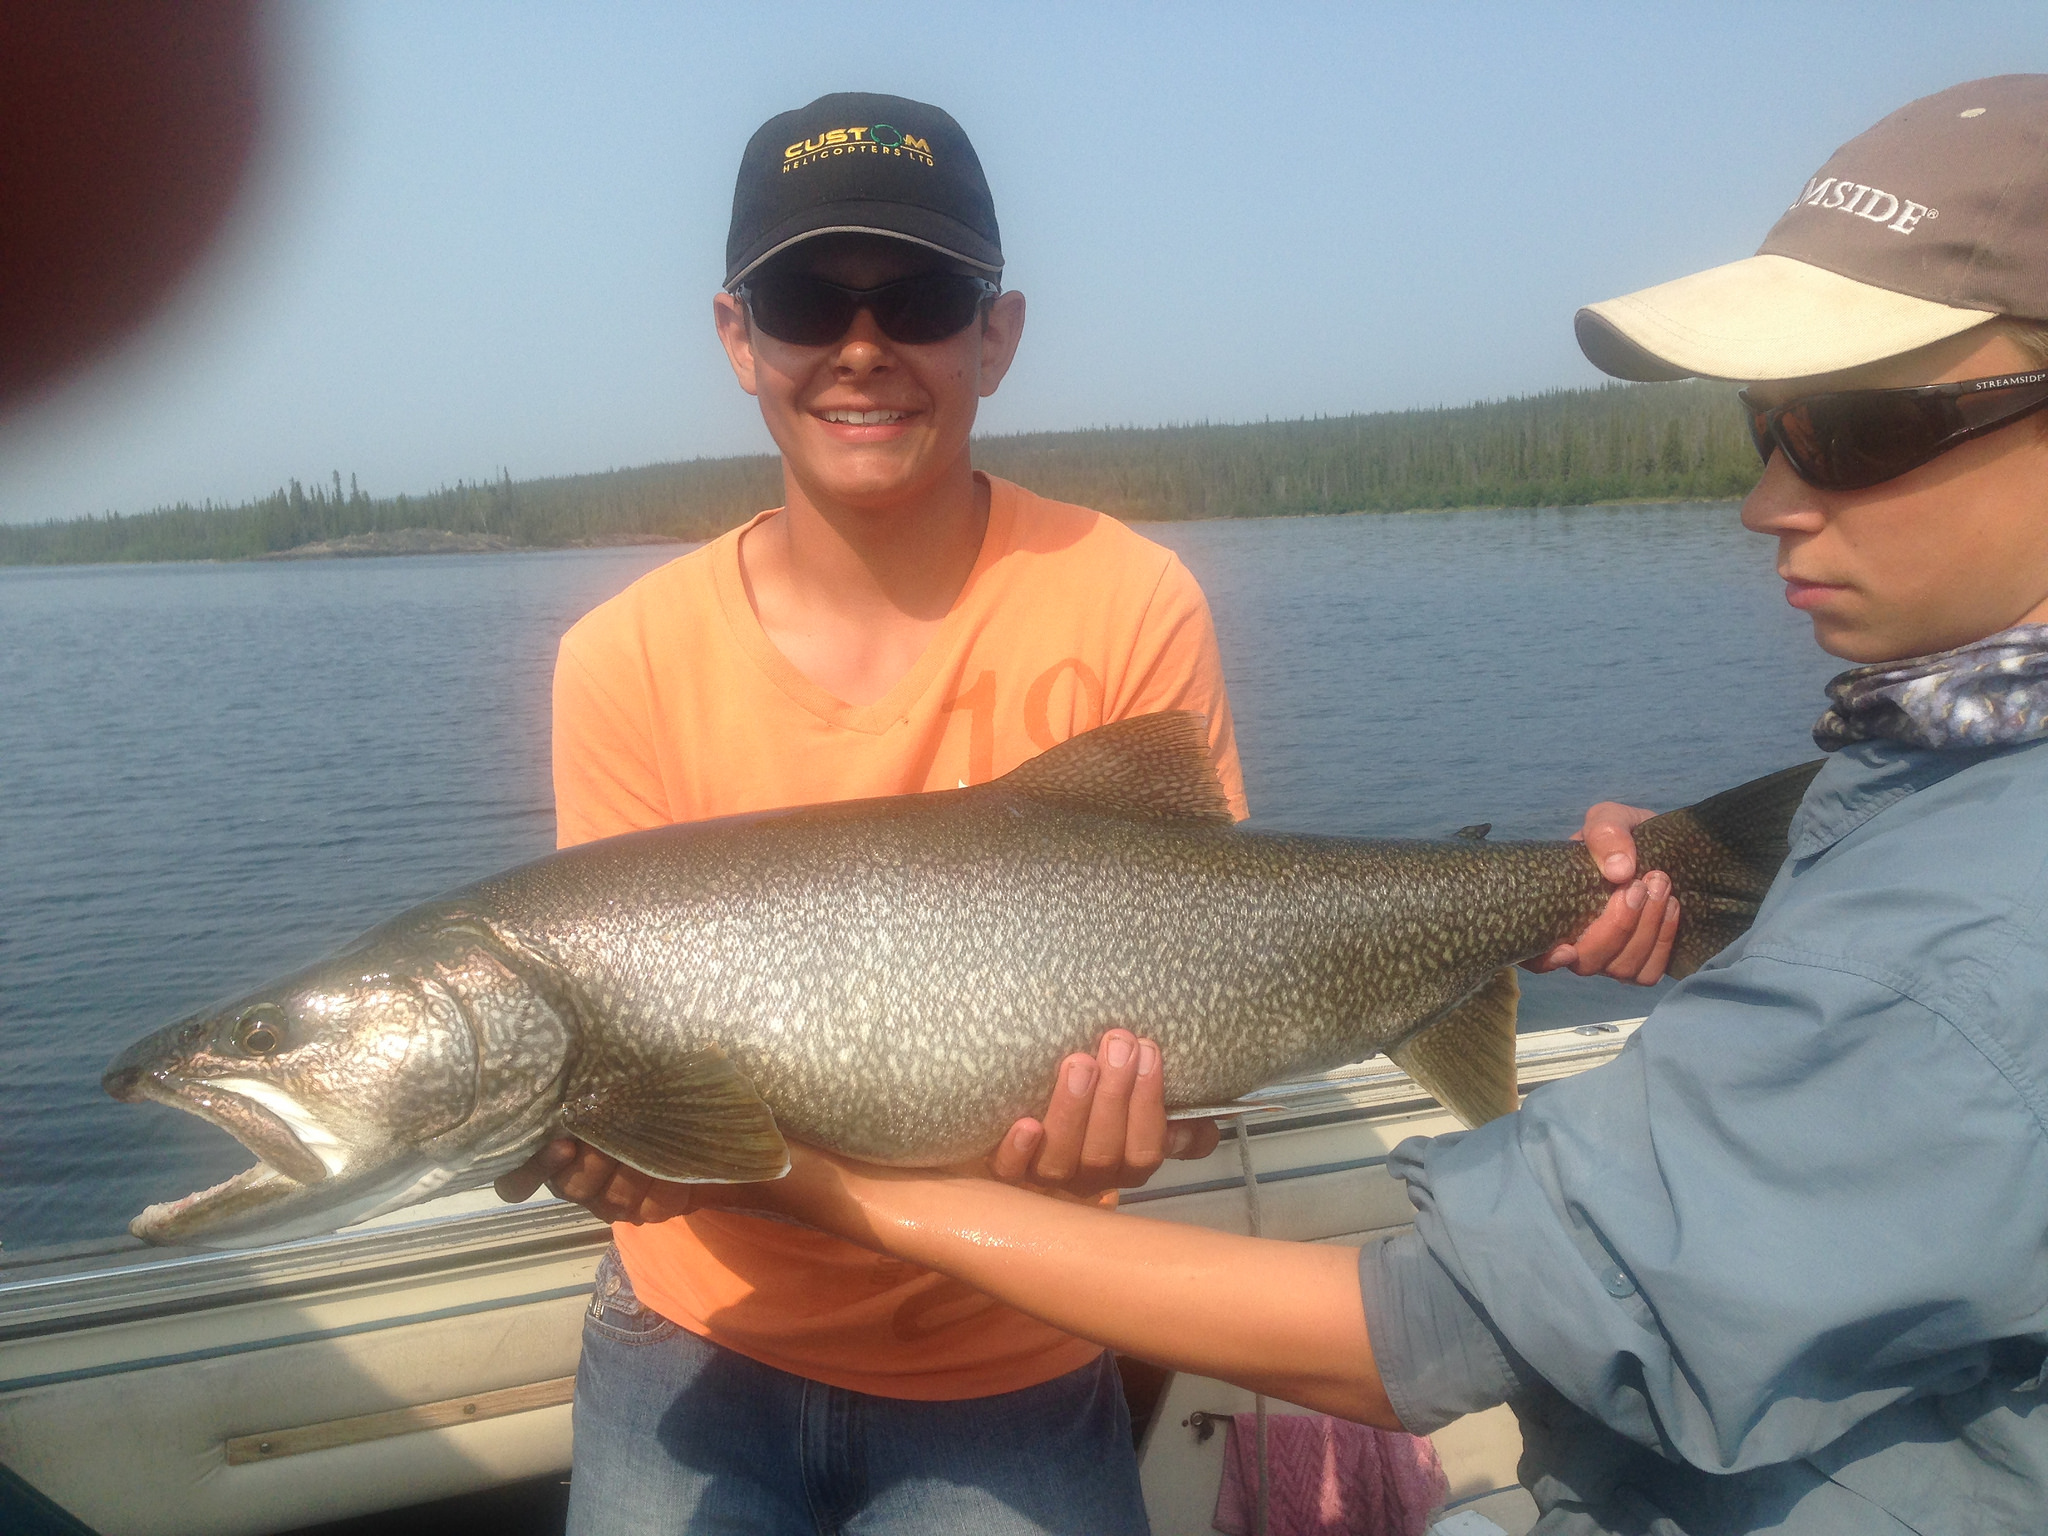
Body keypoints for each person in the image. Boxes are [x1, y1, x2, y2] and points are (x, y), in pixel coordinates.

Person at [661, 75, 2048, 1533]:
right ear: (737, 336)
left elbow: (1426, 1331)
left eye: (1862, 426)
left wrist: (826, 1186)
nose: (1766, 498)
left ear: (995, 331)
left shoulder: (1968, 946)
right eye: (1769, 424)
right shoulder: (1915, 785)